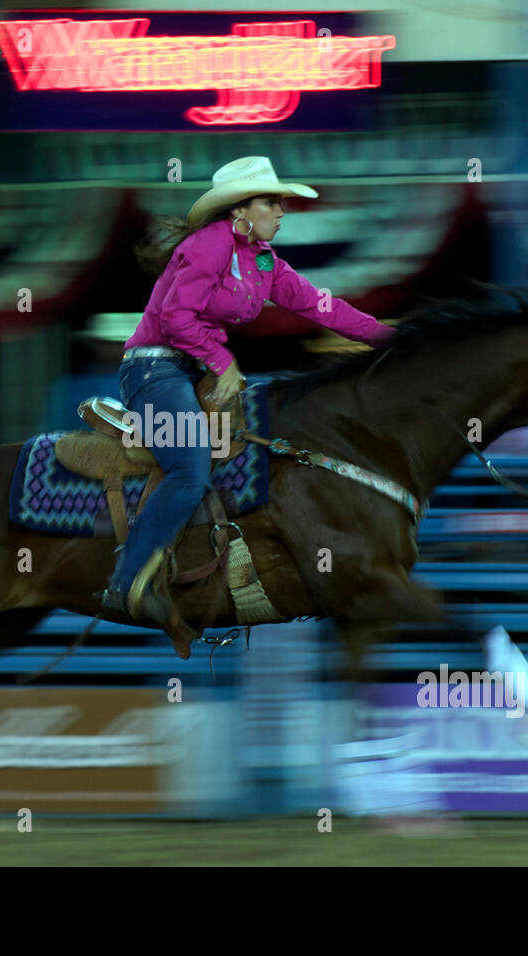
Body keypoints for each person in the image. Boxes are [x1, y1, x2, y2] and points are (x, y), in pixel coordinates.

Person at [102, 156, 395, 628]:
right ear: (240, 210)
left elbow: (325, 309)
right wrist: (223, 362)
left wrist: (393, 340)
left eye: (280, 203)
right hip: (154, 372)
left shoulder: (263, 262)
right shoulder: (209, 245)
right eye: (271, 202)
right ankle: (126, 580)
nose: (281, 212)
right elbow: (177, 317)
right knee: (189, 470)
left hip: (192, 373)